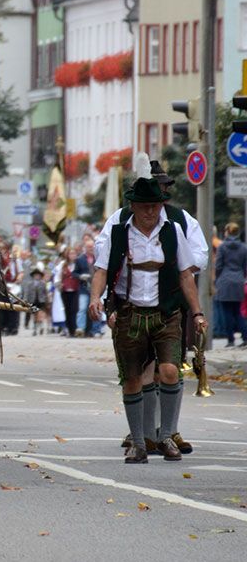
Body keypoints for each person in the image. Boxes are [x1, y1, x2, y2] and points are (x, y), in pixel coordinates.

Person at [89, 177, 207, 464]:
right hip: (130, 314)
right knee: (132, 380)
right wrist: (96, 298)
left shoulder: (174, 231)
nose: (150, 213)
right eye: (144, 207)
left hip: (165, 313)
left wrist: (197, 312)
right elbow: (101, 270)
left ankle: (166, 436)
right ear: (133, 206)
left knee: (168, 371)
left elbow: (185, 275)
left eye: (154, 206)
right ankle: (139, 443)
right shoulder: (118, 233)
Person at [214, 222, 247, 347]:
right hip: (238, 280)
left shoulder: (222, 247)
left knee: (226, 312)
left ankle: (230, 339)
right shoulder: (244, 247)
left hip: (225, 280)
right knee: (239, 311)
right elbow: (245, 267)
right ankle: (245, 337)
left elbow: (218, 265)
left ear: (227, 232)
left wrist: (217, 279)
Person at [58, 246, 88, 337]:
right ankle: (69, 329)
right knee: (67, 310)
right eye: (71, 253)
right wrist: (59, 284)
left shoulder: (79, 263)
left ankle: (75, 329)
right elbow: (58, 276)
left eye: (74, 253)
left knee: (74, 310)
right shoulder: (63, 264)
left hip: (76, 289)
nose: (73, 255)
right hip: (65, 290)